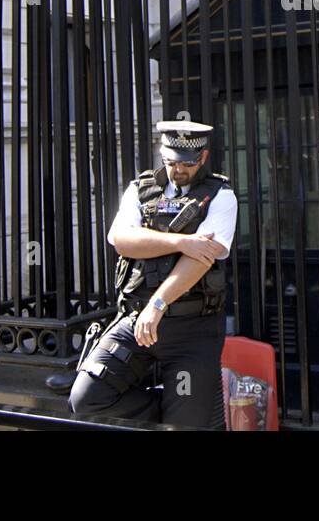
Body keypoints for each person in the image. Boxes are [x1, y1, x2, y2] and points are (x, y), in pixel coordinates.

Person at [69, 119, 238, 428]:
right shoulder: (140, 189)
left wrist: (157, 305)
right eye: (172, 162)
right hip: (135, 323)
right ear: (162, 154)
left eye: (187, 163)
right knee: (87, 400)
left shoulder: (221, 196)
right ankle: (171, 415)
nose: (179, 170)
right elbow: (123, 240)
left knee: (184, 423)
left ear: (203, 157)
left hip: (193, 332)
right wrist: (179, 241)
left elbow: (200, 259)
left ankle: (182, 414)